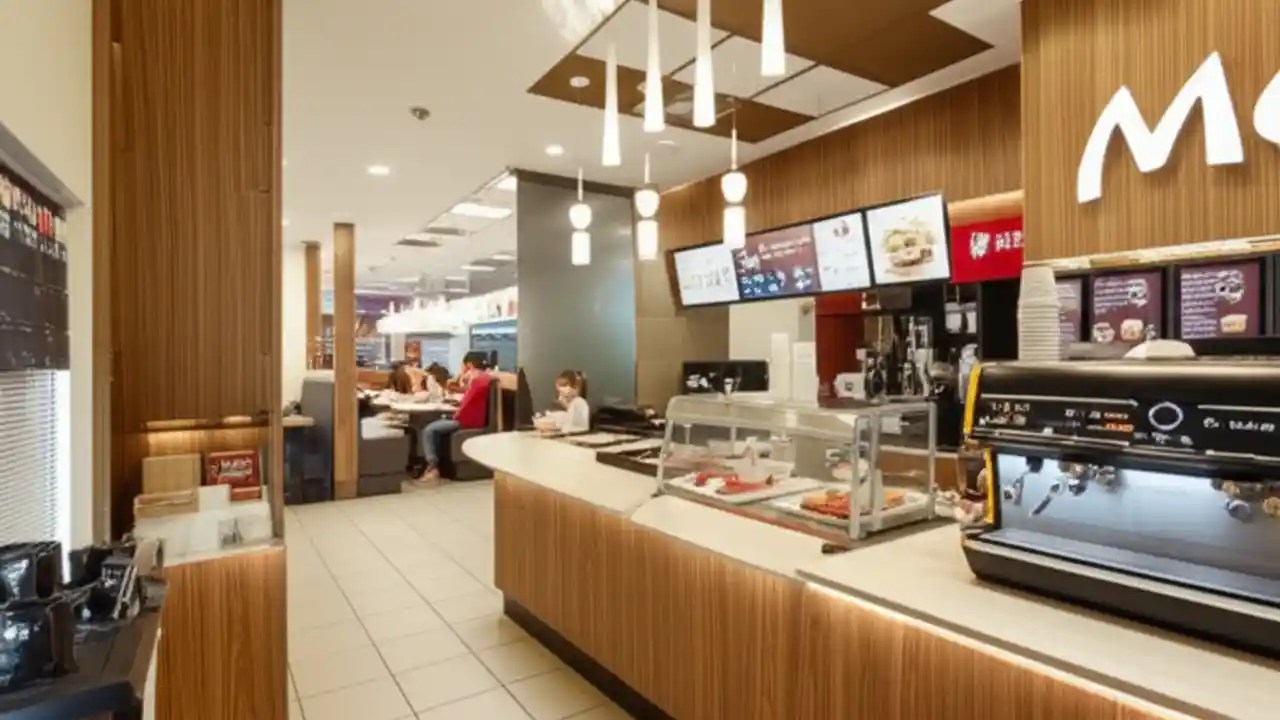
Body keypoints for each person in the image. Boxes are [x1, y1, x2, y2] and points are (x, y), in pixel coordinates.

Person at [415, 359, 492, 483]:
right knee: (433, 426)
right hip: (468, 418)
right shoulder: (482, 381)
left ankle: (432, 468)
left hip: (465, 421)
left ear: (469, 366)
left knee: (429, 430)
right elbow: (467, 400)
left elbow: (466, 407)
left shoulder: (477, 380)